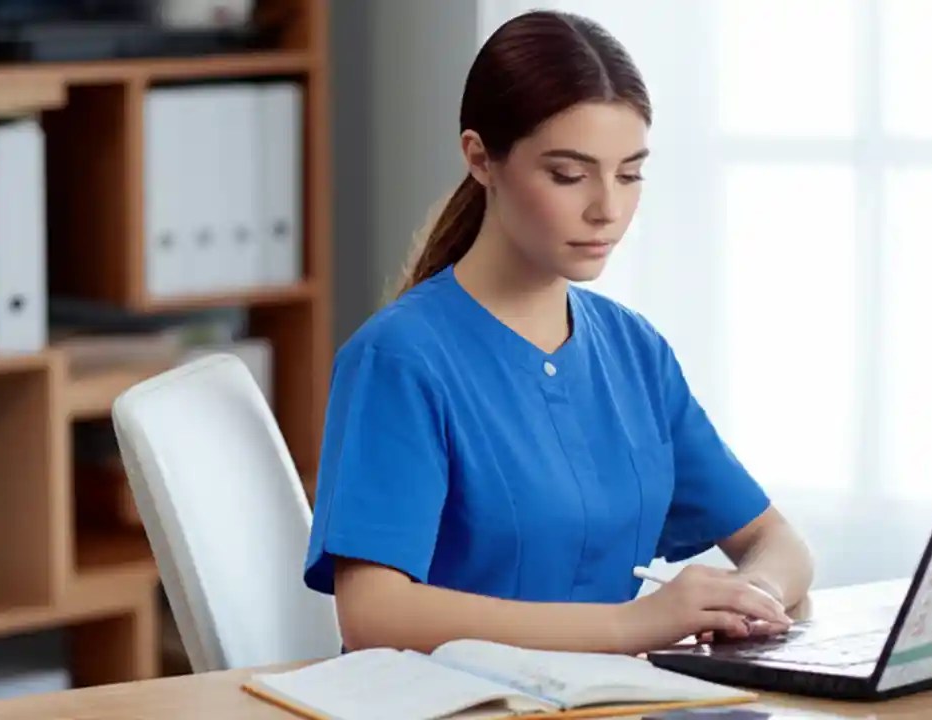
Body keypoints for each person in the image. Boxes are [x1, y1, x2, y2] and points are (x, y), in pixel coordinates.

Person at [304, 9, 814, 656]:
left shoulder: (635, 353)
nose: (607, 208)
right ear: (480, 158)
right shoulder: (400, 359)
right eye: (569, 175)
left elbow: (779, 544)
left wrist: (750, 596)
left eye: (629, 174)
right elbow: (373, 613)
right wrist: (633, 624)